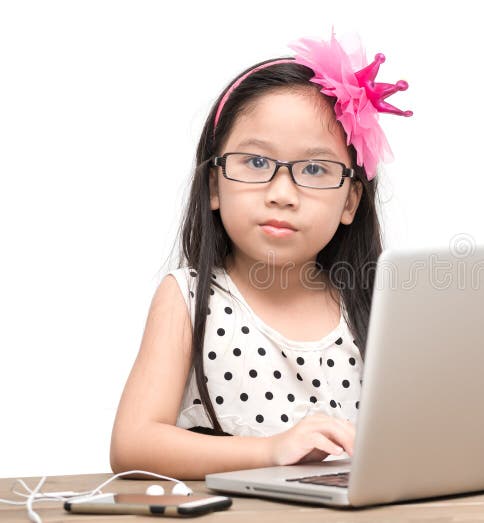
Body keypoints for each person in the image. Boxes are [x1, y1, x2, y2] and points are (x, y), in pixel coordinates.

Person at [109, 31, 412, 480]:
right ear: (214, 185)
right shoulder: (189, 299)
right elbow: (133, 445)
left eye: (313, 169)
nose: (282, 193)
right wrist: (272, 451)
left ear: (350, 201)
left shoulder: (373, 303)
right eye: (255, 162)